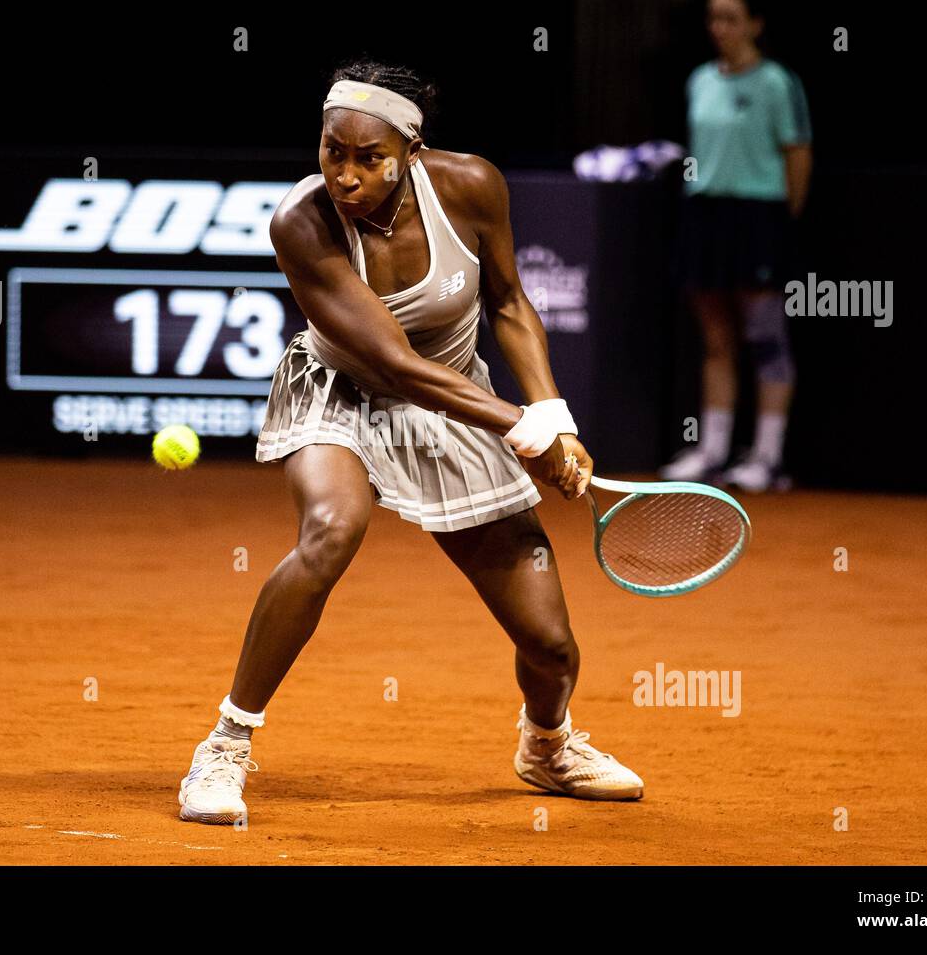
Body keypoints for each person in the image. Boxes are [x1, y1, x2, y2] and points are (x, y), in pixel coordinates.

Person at [176, 60, 644, 825]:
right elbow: (394, 363)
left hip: (457, 404)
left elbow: (508, 300)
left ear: (413, 152)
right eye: (333, 152)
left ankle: (548, 745)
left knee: (551, 646)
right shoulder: (301, 222)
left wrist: (553, 414)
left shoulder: (471, 187)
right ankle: (225, 745)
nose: (347, 175)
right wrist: (522, 426)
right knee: (331, 529)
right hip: (344, 396)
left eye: (370, 158)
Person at [661, 0, 812, 491]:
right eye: (714, 18)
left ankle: (767, 458)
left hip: (759, 217)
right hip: (705, 215)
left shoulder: (777, 83)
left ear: (756, 23)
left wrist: (782, 221)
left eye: (731, 18)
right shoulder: (699, 79)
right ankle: (713, 451)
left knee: (766, 338)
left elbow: (797, 154)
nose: (720, 27)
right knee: (716, 340)